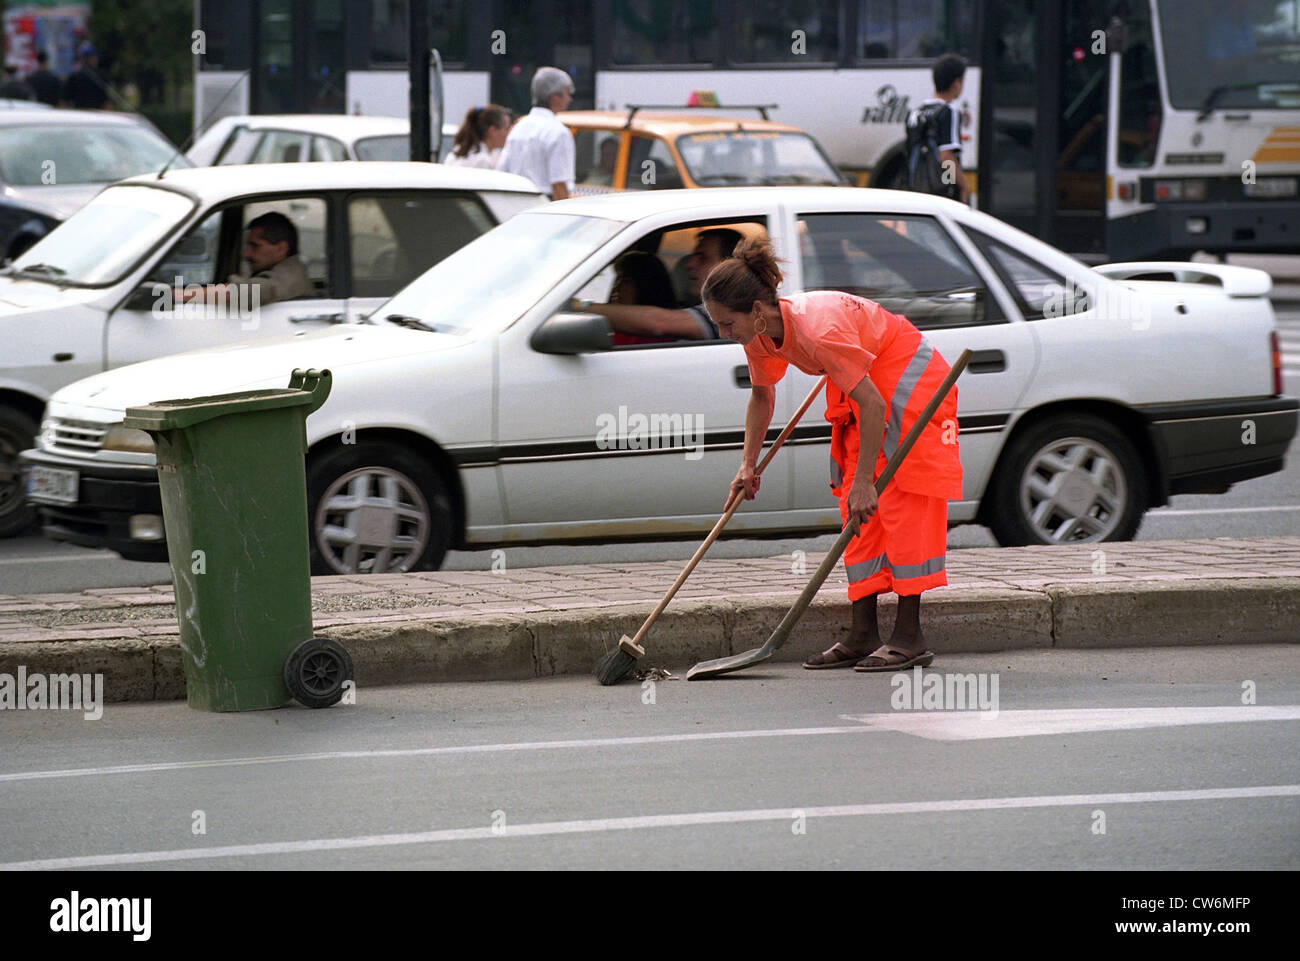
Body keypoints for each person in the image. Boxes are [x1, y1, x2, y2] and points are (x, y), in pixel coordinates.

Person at [703, 239, 962, 672]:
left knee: (896, 495)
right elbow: (762, 397)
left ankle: (909, 635)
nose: (723, 334)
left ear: (757, 312)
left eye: (727, 324)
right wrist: (747, 464)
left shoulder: (819, 331)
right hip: (864, 375)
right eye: (718, 325)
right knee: (852, 501)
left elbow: (876, 404)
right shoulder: (760, 333)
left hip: (904, 375)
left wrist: (867, 482)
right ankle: (863, 633)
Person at [571, 228, 742, 342]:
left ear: (729, 268)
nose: (689, 264)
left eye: (702, 258)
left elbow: (657, 323)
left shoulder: (734, 311)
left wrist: (578, 306)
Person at [181, 213, 311, 307]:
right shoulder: (287, 271)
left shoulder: (289, 277)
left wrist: (176, 296)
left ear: (281, 249)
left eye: (255, 246)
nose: (246, 254)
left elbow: (245, 292)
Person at [497, 66, 575, 199]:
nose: (570, 99)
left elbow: (502, 173)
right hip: (545, 208)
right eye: (567, 93)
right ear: (554, 96)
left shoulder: (517, 129)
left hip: (516, 206)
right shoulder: (558, 132)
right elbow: (559, 185)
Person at [904, 53, 969, 203]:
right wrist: (959, 186)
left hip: (916, 189)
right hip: (940, 191)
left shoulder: (916, 112)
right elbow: (946, 157)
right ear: (956, 83)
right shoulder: (948, 111)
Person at [445, 104, 511, 169]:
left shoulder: (457, 152)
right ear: (492, 131)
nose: (509, 133)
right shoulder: (482, 162)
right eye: (506, 128)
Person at [62, 43, 110, 110]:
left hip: (79, 116)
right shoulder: (101, 76)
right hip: (97, 116)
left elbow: (64, 102)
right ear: (93, 58)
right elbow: (106, 103)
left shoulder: (74, 76)